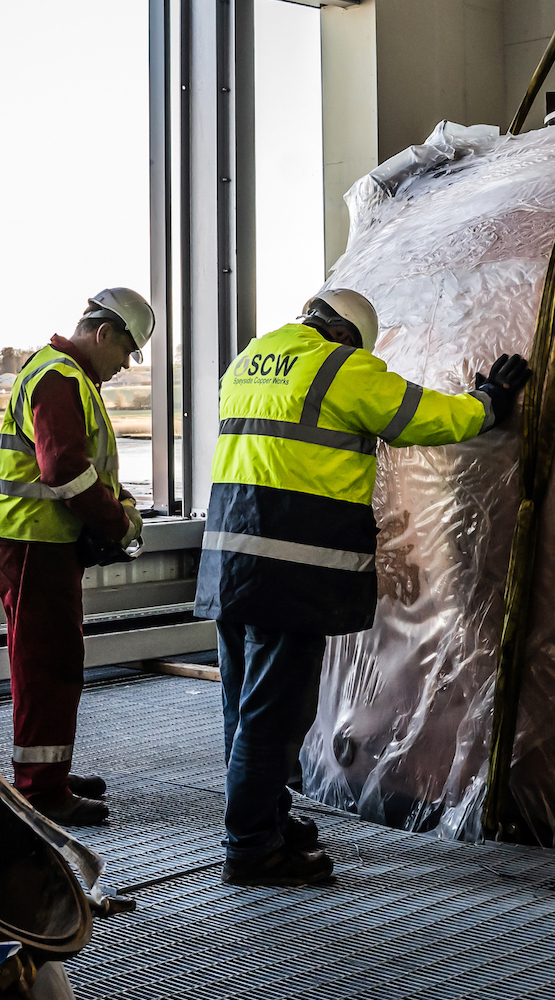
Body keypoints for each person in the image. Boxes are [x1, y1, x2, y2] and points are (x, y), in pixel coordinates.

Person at [197, 288, 530, 886]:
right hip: (290, 567)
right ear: (350, 336)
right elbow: (423, 417)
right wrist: (488, 401)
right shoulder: (340, 368)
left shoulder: (250, 360)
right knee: (275, 714)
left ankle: (265, 820)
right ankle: (250, 846)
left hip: (231, 560)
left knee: (244, 707)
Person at [0, 290, 153, 828]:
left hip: (36, 540)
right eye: (126, 351)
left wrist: (113, 506)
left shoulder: (65, 376)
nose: (125, 366)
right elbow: (65, 473)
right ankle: (40, 791)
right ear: (104, 333)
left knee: (49, 662)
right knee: (45, 665)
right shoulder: (60, 378)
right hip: (33, 540)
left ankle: (47, 774)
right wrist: (118, 523)